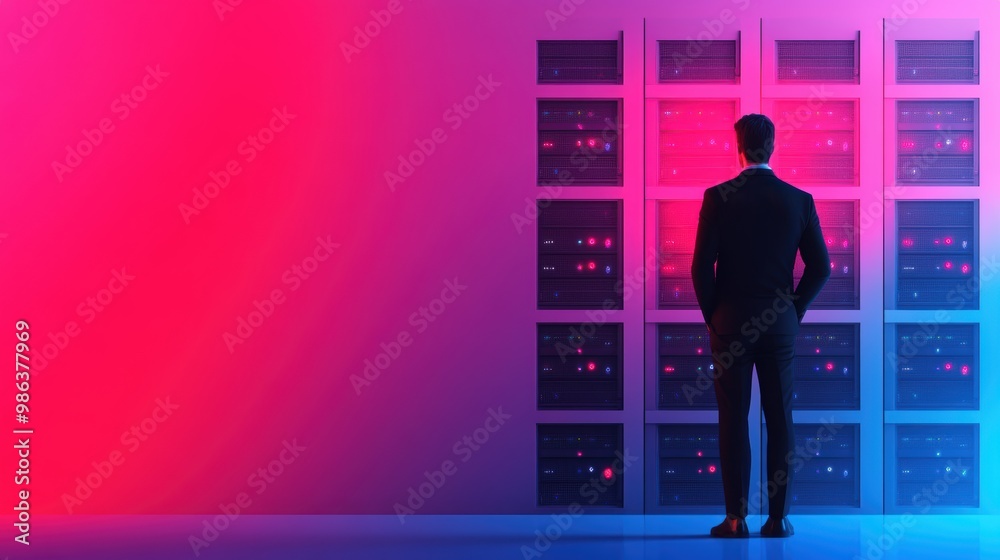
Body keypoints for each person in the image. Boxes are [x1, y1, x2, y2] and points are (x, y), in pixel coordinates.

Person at [691, 113, 831, 538]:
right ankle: (779, 518)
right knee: (780, 418)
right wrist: (793, 310)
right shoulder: (798, 200)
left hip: (730, 323)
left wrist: (714, 316)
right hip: (779, 326)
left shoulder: (718, 197)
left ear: (738, 147)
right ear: (773, 147)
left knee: (733, 419)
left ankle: (735, 520)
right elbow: (821, 267)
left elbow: (700, 267)